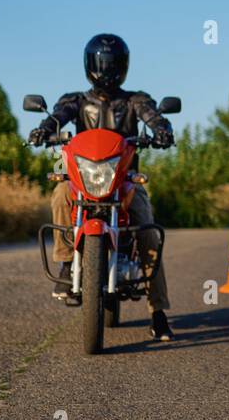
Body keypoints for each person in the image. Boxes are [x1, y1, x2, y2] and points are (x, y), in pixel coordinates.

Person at [28, 33, 176, 341]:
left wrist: (162, 130)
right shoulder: (76, 101)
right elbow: (57, 118)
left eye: (112, 65)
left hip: (124, 182)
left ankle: (158, 312)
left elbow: (154, 117)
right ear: (90, 65)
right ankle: (68, 262)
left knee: (148, 232)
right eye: (101, 64)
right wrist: (43, 130)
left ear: (122, 67)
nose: (106, 70)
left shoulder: (135, 101)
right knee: (59, 193)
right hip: (85, 180)